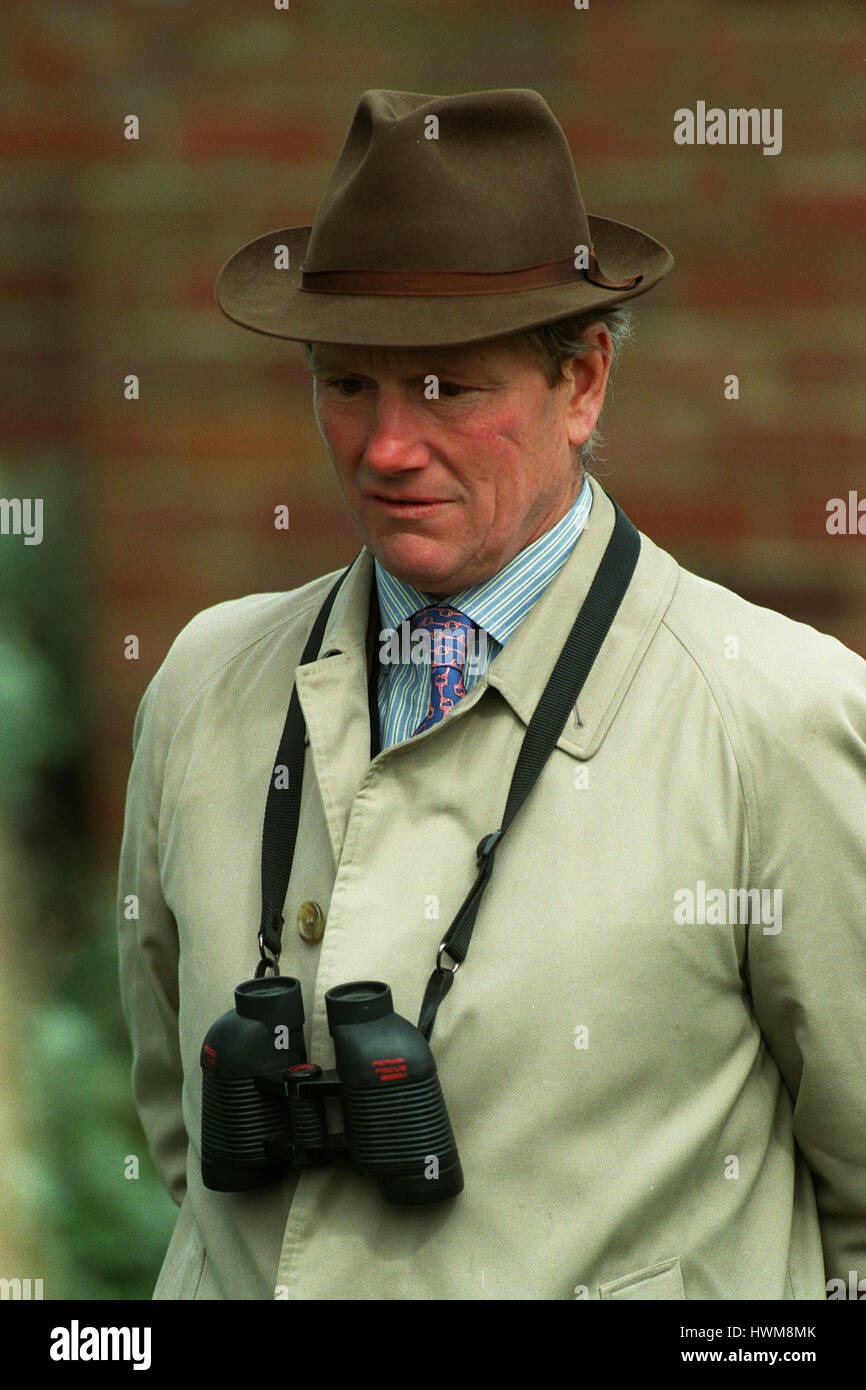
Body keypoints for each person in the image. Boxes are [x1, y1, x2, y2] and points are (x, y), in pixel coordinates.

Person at [117, 87, 866, 1301]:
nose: (383, 448)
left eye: (444, 389)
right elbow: (184, 1143)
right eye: (346, 382)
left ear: (581, 386)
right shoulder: (204, 685)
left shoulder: (780, 719)